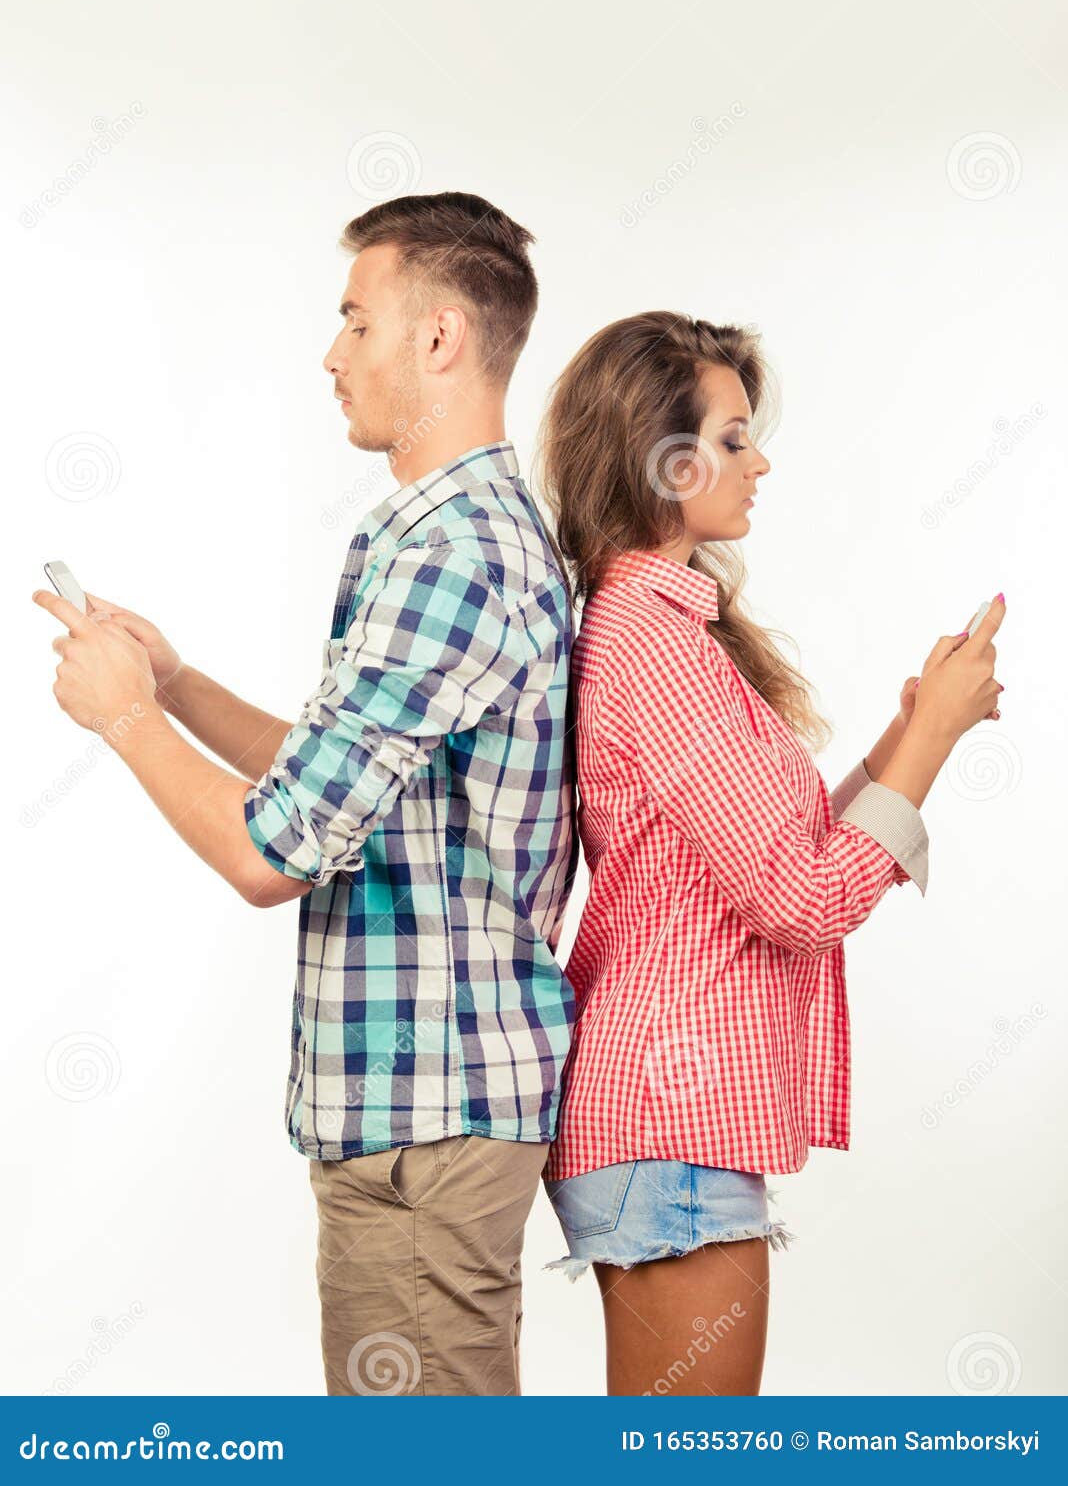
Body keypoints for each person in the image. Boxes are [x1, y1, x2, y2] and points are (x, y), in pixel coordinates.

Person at [34, 192, 579, 1397]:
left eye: (355, 321)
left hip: (427, 1122)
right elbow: (355, 786)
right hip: (422, 1117)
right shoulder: (451, 534)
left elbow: (267, 854)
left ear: (438, 337)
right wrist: (175, 684)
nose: (332, 356)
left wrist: (120, 716)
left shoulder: (452, 555)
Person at [534, 311, 1006, 1397]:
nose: (761, 461)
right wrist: (931, 739)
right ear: (666, 457)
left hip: (664, 1121)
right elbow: (801, 898)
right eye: (735, 436)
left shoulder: (655, 630)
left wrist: (909, 729)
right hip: (667, 1120)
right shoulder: (654, 645)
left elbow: (768, 854)